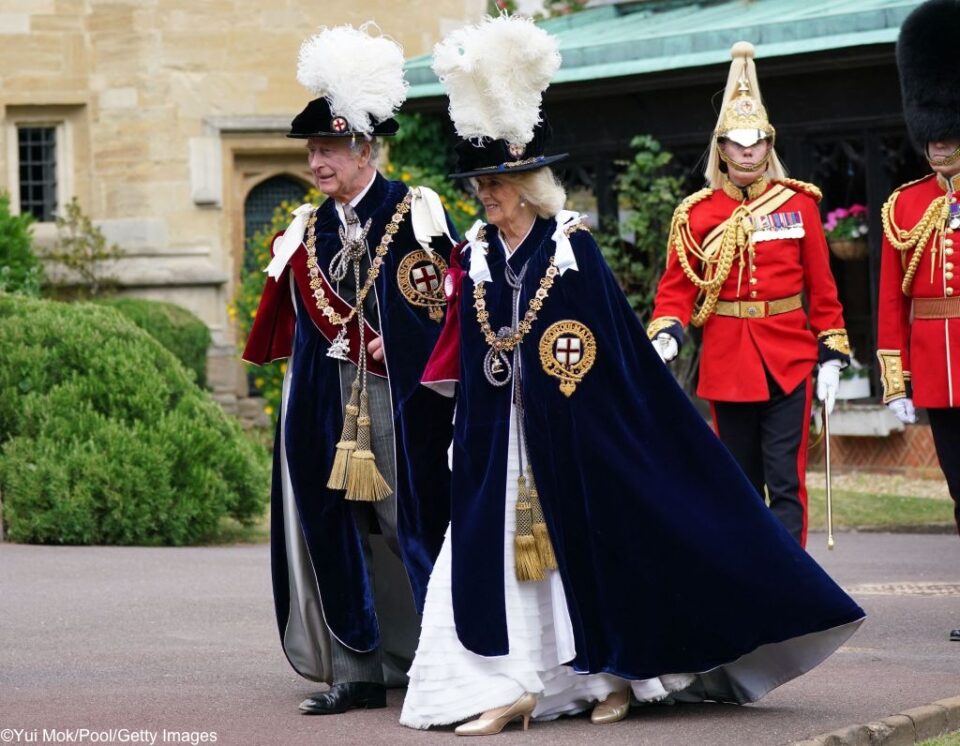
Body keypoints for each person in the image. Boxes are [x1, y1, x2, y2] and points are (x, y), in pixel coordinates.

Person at [398, 15, 865, 735]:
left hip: (579, 438)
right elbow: (471, 345)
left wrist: (830, 351)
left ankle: (612, 678)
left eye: (491, 183)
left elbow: (604, 352)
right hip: (502, 439)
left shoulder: (571, 252)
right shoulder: (480, 252)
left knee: (596, 549)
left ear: (526, 182)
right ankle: (507, 683)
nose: (481, 195)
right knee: (487, 561)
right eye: (476, 184)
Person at [242, 24, 457, 713]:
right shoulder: (306, 228)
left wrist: (397, 347)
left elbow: (441, 311)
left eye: (329, 148)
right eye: (312, 150)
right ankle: (357, 670)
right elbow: (300, 326)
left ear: (365, 149)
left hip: (396, 400)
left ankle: (443, 662)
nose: (316, 161)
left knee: (412, 525)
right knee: (333, 530)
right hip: (325, 400)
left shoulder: (414, 213)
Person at [647, 42, 851, 548]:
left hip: (789, 356)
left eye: (755, 142)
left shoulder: (799, 206)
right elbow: (676, 290)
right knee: (737, 482)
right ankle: (749, 581)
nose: (746, 152)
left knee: (786, 482)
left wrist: (831, 354)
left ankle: (793, 587)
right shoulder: (695, 214)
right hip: (726, 359)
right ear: (721, 147)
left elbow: (823, 290)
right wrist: (669, 332)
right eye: (736, 143)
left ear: (768, 144)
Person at [876, 0, 960, 642]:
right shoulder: (906, 205)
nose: (940, 144)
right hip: (936, 372)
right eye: (933, 135)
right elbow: (890, 302)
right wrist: (896, 380)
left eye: (949, 134)